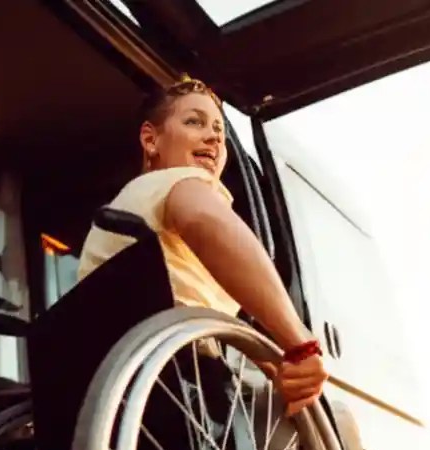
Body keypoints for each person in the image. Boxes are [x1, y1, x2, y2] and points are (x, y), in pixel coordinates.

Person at [76, 76, 327, 416]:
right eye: (194, 122)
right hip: (170, 378)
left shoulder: (142, 213)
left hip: (116, 387)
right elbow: (202, 219)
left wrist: (273, 362)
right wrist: (300, 343)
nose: (213, 136)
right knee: (327, 421)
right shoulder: (175, 182)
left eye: (219, 130)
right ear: (151, 140)